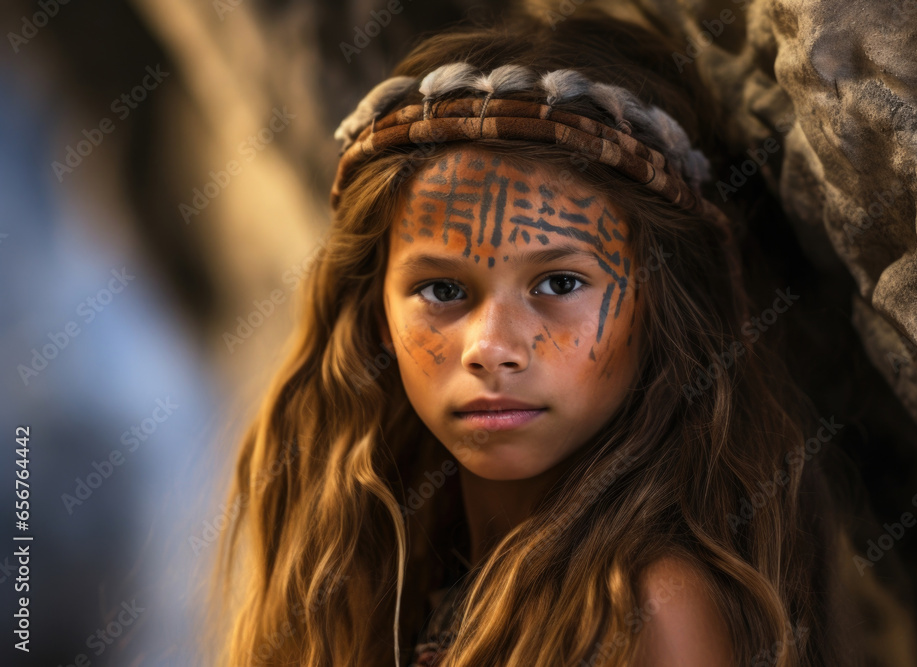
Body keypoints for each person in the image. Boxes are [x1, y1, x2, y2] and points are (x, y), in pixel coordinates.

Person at [205, 4, 858, 666]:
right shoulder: (406, 576)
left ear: (657, 305)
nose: (491, 347)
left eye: (558, 284)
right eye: (443, 290)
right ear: (379, 317)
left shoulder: (645, 606)